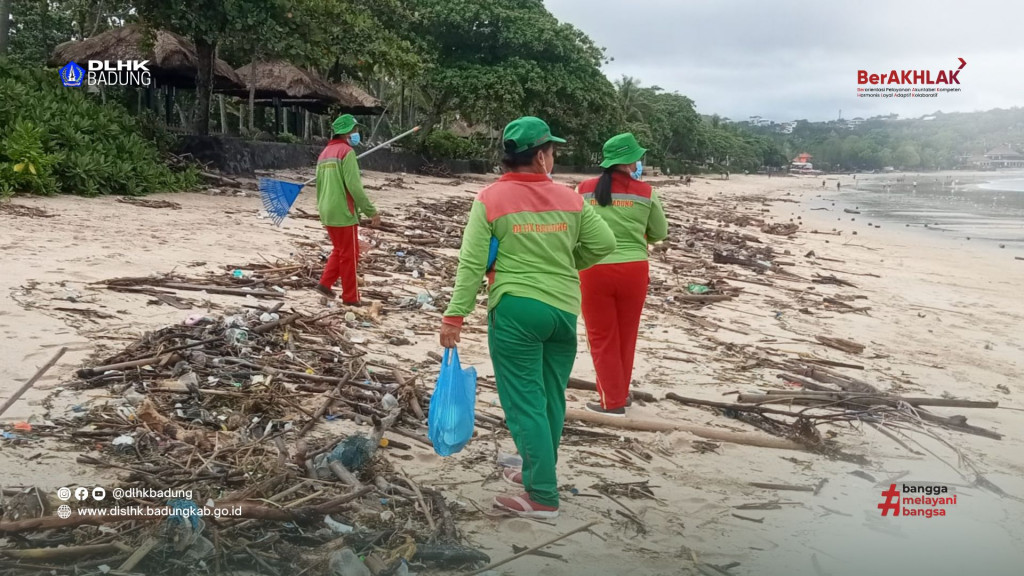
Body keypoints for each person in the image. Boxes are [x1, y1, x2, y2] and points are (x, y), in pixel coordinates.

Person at [439, 116, 616, 519]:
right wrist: (567, 263)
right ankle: (541, 472)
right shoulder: (571, 199)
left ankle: (541, 496)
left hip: (517, 307)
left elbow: (470, 264)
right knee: (551, 398)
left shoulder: (489, 199)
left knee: (525, 404)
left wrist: (455, 316)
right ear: (540, 157)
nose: (553, 158)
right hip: (563, 309)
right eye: (552, 151)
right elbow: (604, 243)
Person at [576, 133, 668, 416]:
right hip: (634, 271)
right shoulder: (646, 192)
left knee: (601, 335)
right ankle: (619, 394)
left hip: (593, 269)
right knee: (626, 336)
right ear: (631, 161)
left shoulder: (584, 189)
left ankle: (612, 401)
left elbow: (575, 227)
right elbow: (660, 233)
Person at [314, 114, 380, 305]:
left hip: (326, 209)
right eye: (355, 130)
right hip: (343, 210)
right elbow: (354, 186)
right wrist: (370, 210)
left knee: (340, 249)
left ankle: (325, 284)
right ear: (347, 132)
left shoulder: (324, 153)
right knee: (350, 255)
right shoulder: (346, 152)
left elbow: (318, 185)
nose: (357, 133)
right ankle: (351, 297)